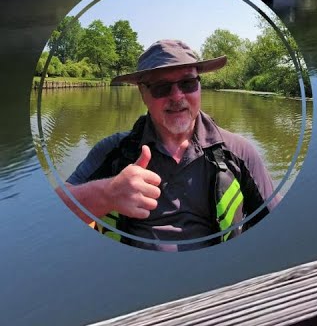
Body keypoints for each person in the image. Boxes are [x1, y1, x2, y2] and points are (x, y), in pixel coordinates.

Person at [57, 39, 275, 250]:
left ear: (199, 86)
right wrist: (107, 194)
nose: (177, 96)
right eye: (161, 87)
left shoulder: (239, 152)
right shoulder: (113, 150)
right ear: (143, 93)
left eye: (187, 83)